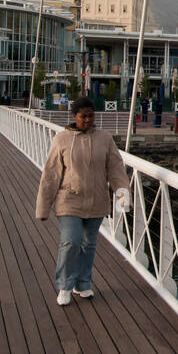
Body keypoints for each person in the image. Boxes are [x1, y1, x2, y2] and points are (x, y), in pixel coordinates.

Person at [35, 96, 131, 305]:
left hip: (97, 201)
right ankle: (65, 285)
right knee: (71, 241)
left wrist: (123, 198)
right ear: (74, 117)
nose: (87, 120)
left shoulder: (104, 139)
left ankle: (83, 283)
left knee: (89, 244)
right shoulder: (62, 139)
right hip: (69, 199)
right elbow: (51, 174)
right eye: (83, 116)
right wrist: (43, 208)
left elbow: (116, 169)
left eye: (91, 116)